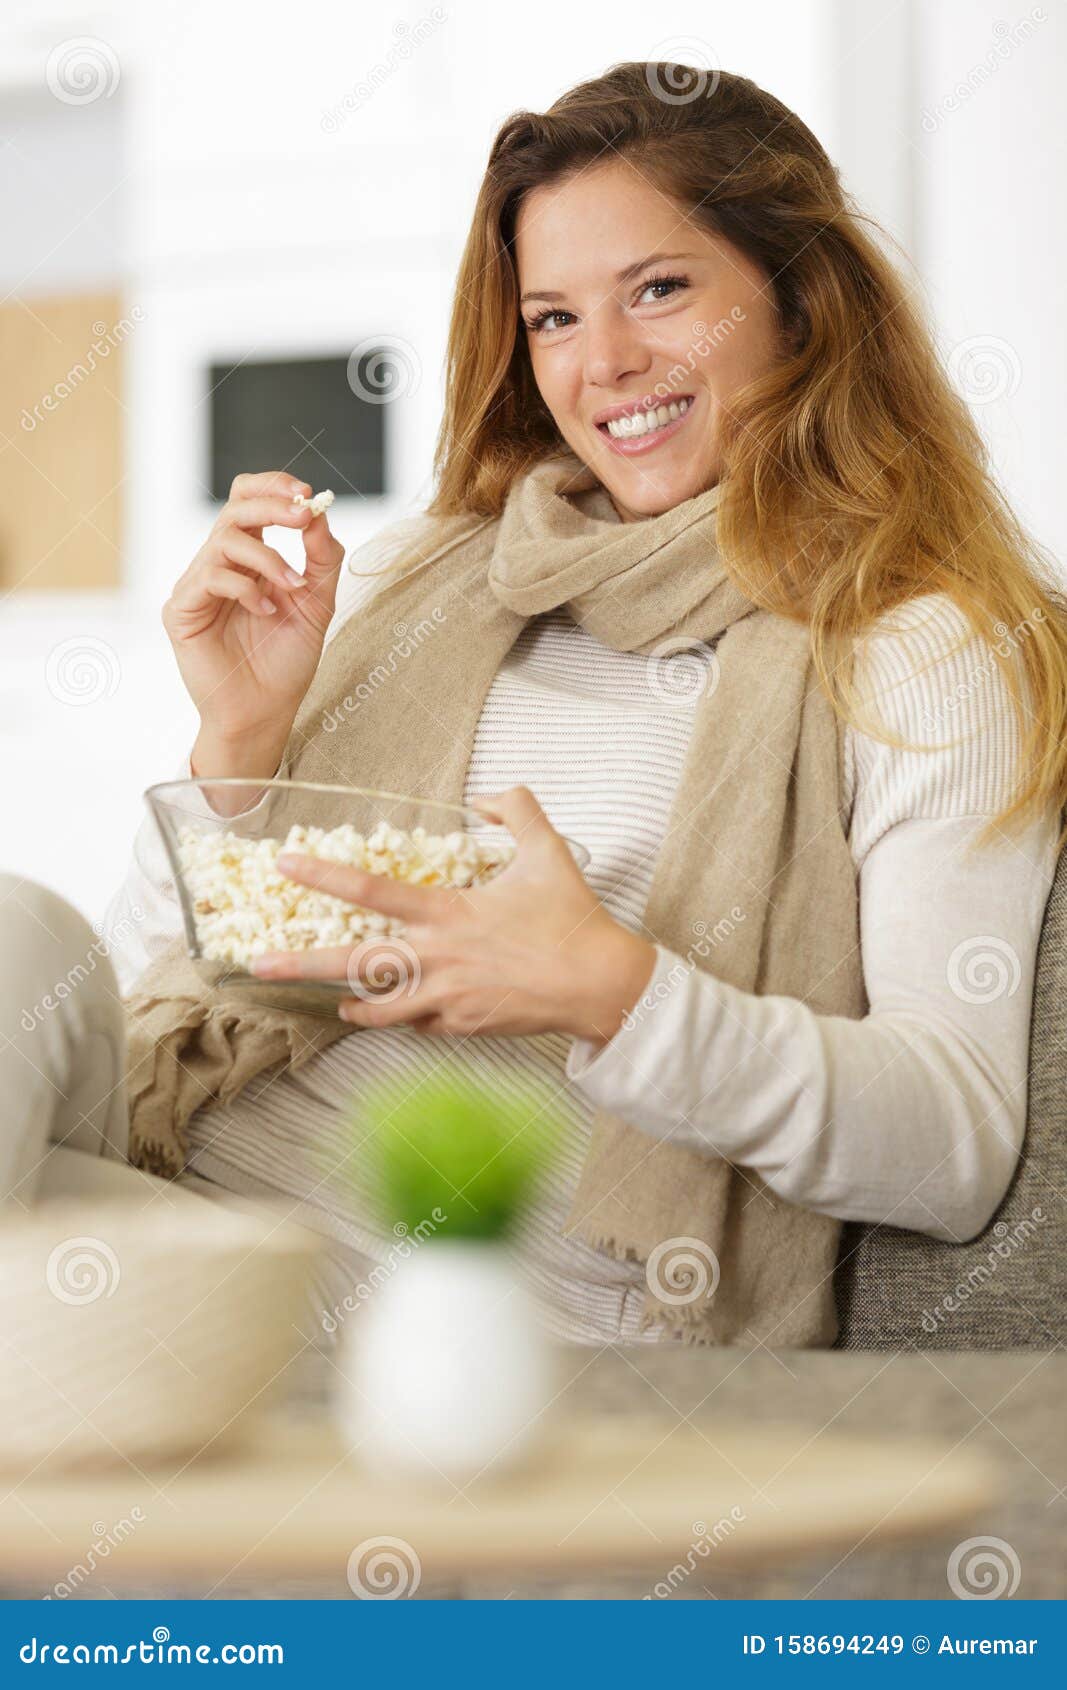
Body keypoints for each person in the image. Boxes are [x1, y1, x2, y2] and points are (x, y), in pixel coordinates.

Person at [6, 62, 1065, 1348]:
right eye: (553, 317)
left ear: (801, 302)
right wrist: (244, 743)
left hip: (455, 1299)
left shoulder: (916, 647)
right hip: (177, 1183)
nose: (604, 363)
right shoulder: (438, 573)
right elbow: (159, 986)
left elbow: (951, 1145)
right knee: (21, 947)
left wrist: (611, 989)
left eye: (659, 290)